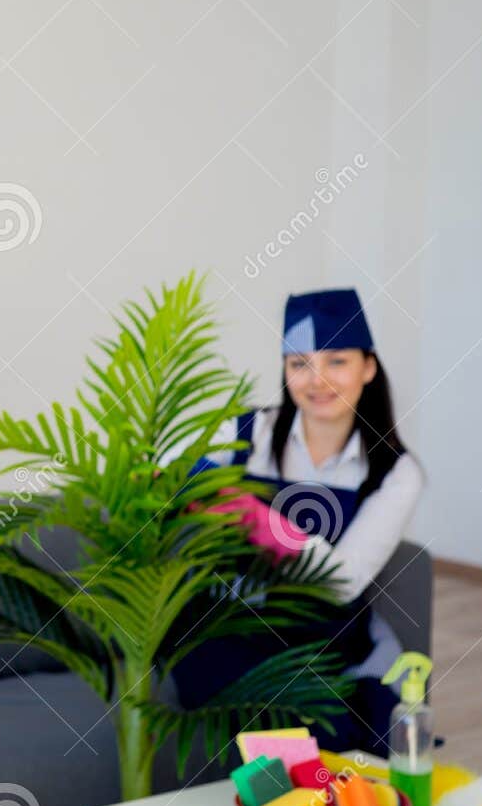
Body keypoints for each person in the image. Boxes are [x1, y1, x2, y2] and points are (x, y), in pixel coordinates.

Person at [169, 287, 425, 753]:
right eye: (299, 364)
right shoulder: (244, 432)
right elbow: (173, 478)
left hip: (319, 639)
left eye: (337, 361)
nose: (317, 380)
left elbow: (341, 581)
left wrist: (250, 515)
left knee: (341, 732)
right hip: (225, 625)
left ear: (368, 367)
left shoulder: (395, 473)